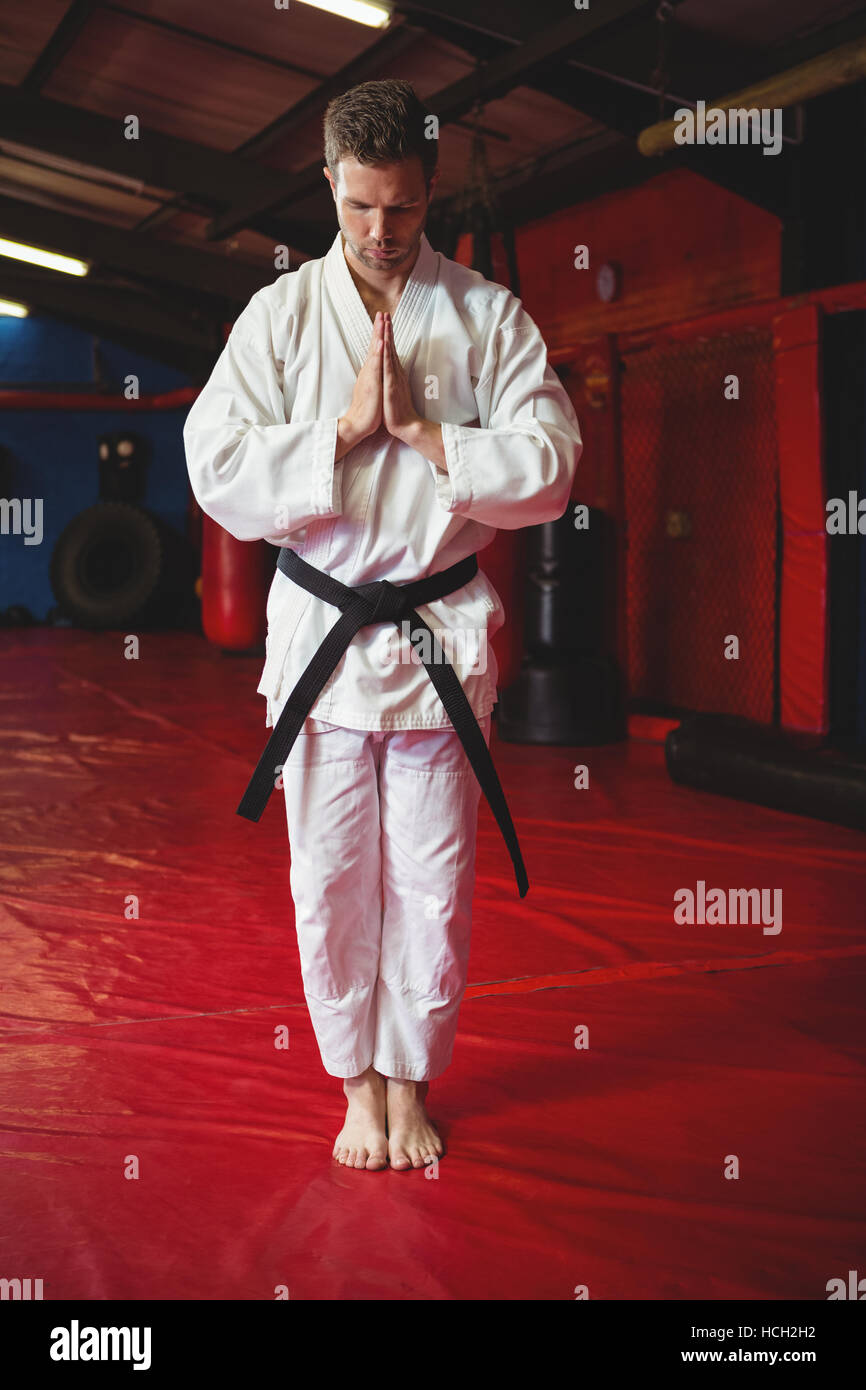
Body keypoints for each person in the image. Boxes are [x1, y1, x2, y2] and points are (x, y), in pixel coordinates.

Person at [183, 78, 582, 1174]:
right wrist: (343, 432)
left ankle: (409, 1081)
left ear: (430, 188)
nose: (379, 232)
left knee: (431, 875)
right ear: (328, 184)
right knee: (329, 877)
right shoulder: (277, 317)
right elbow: (212, 464)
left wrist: (429, 434)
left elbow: (551, 464)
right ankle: (355, 1085)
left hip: (434, 637)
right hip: (320, 643)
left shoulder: (485, 316)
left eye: (401, 208)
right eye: (358, 206)